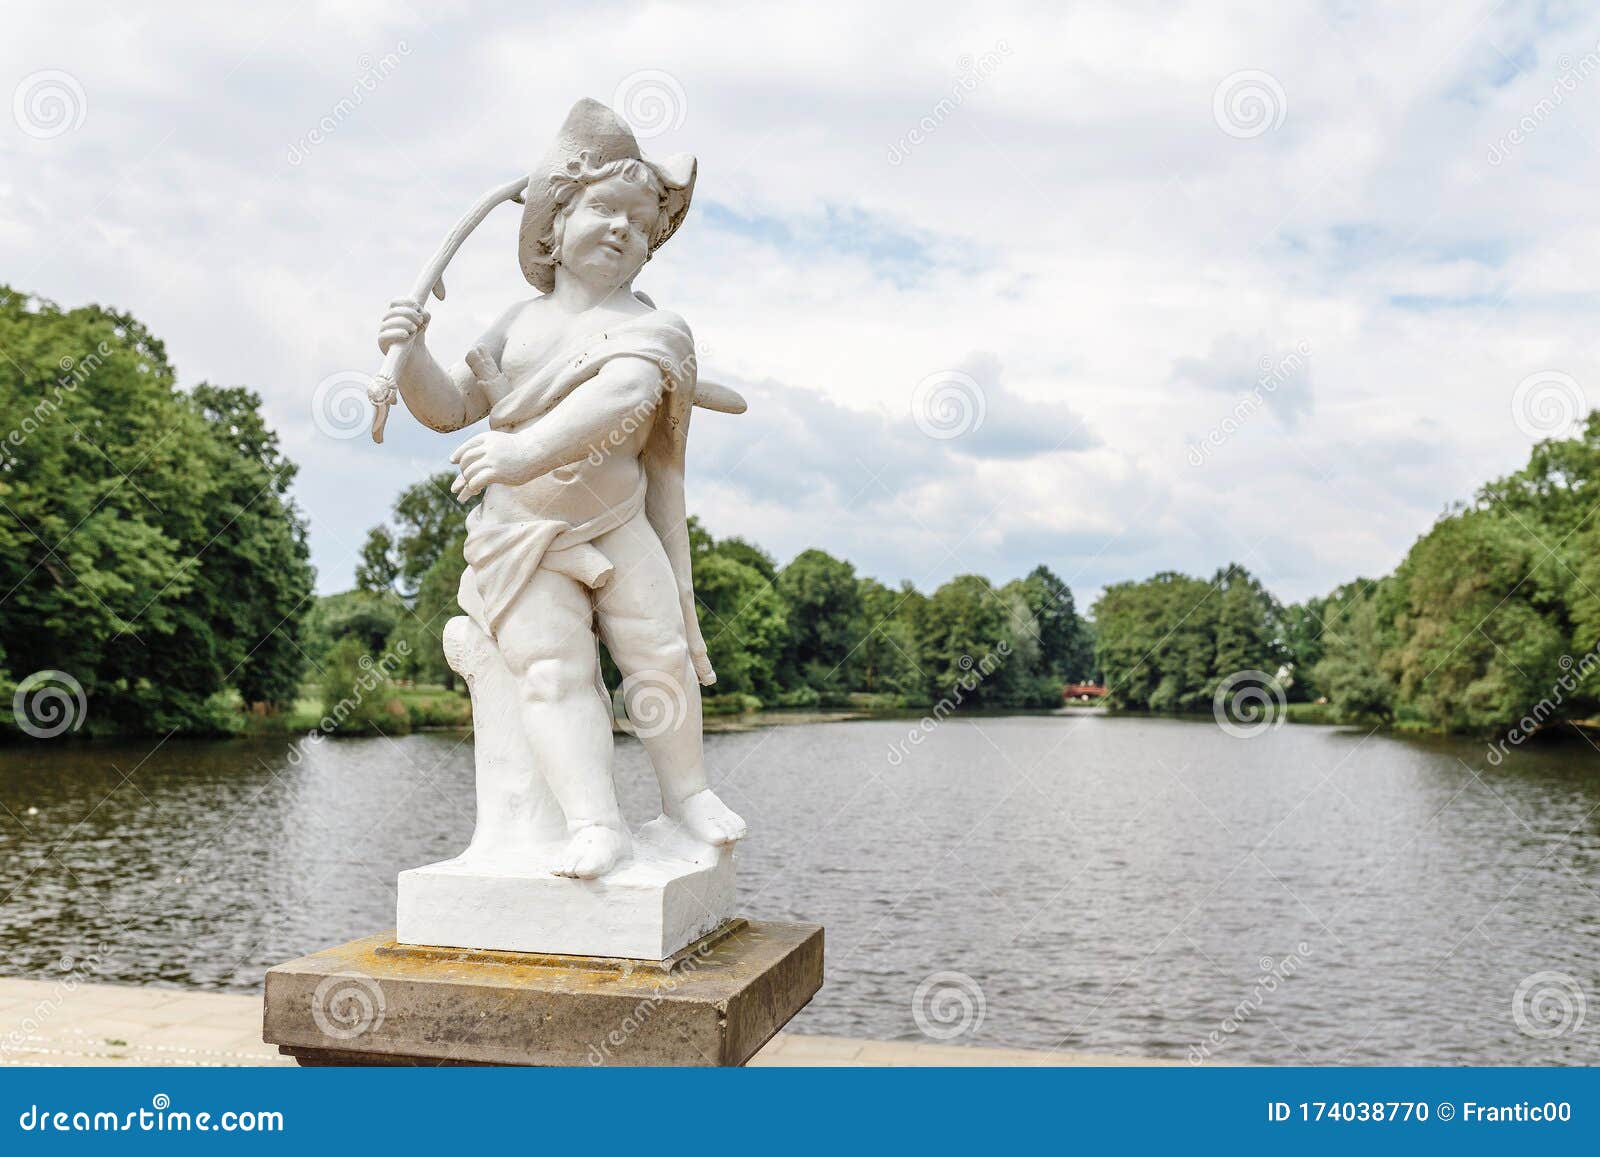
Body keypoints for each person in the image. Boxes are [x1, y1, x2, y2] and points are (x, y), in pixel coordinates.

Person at [376, 99, 745, 879]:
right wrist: (410, 356)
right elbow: (450, 411)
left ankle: (687, 797)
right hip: (520, 534)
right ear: (554, 222)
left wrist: (521, 452)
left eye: (641, 223)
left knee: (660, 657)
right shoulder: (516, 324)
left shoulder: (656, 330)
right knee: (552, 675)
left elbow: (623, 396)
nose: (623, 229)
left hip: (615, 520)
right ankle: (595, 824)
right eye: (604, 209)